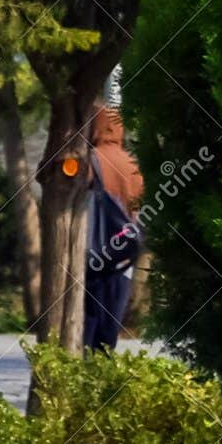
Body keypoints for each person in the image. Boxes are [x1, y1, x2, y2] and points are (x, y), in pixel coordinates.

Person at [83, 104, 145, 353]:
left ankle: (80, 383)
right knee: (108, 333)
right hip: (123, 258)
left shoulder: (89, 160)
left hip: (92, 253)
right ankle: (102, 381)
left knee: (86, 325)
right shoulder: (134, 165)